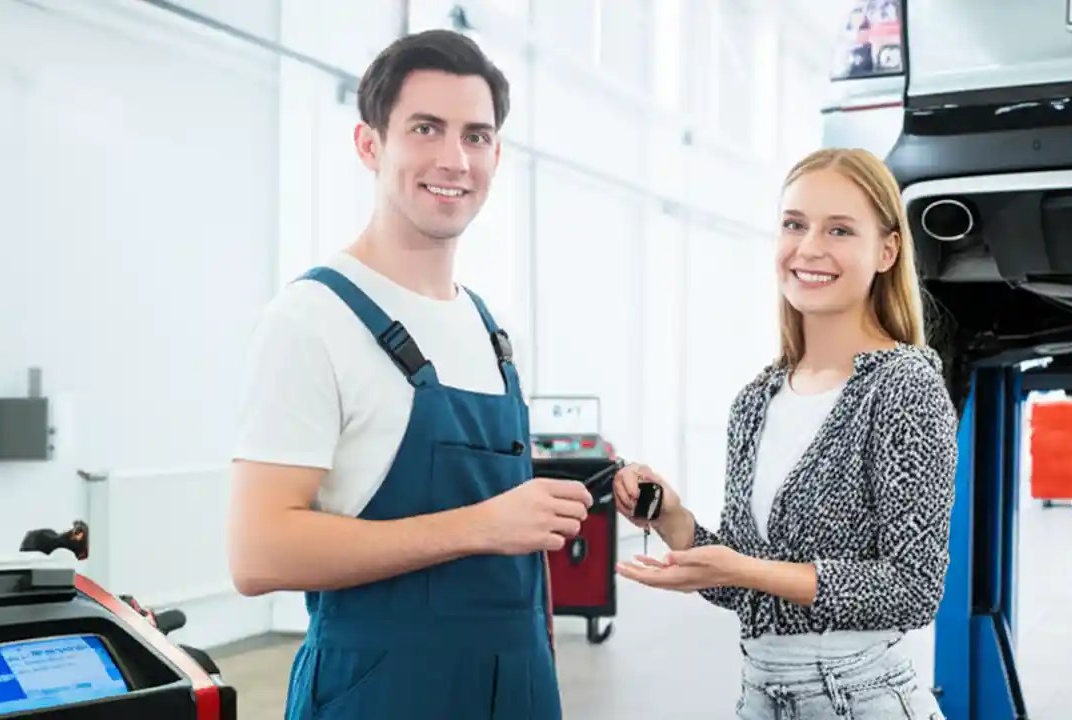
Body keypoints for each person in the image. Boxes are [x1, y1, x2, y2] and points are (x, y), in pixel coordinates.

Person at [227, 29, 591, 720]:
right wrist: (481, 526)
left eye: (476, 136)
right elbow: (259, 552)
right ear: (370, 145)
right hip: (382, 691)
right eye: (426, 129)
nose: (455, 159)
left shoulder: (489, 328)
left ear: (496, 155)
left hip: (518, 687)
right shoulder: (310, 320)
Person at [612, 147, 957, 720]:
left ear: (887, 250)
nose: (809, 248)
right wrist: (672, 519)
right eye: (795, 224)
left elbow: (913, 589)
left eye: (839, 230)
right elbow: (744, 589)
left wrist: (745, 569)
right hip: (760, 695)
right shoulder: (756, 401)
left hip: (861, 697)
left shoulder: (903, 387)